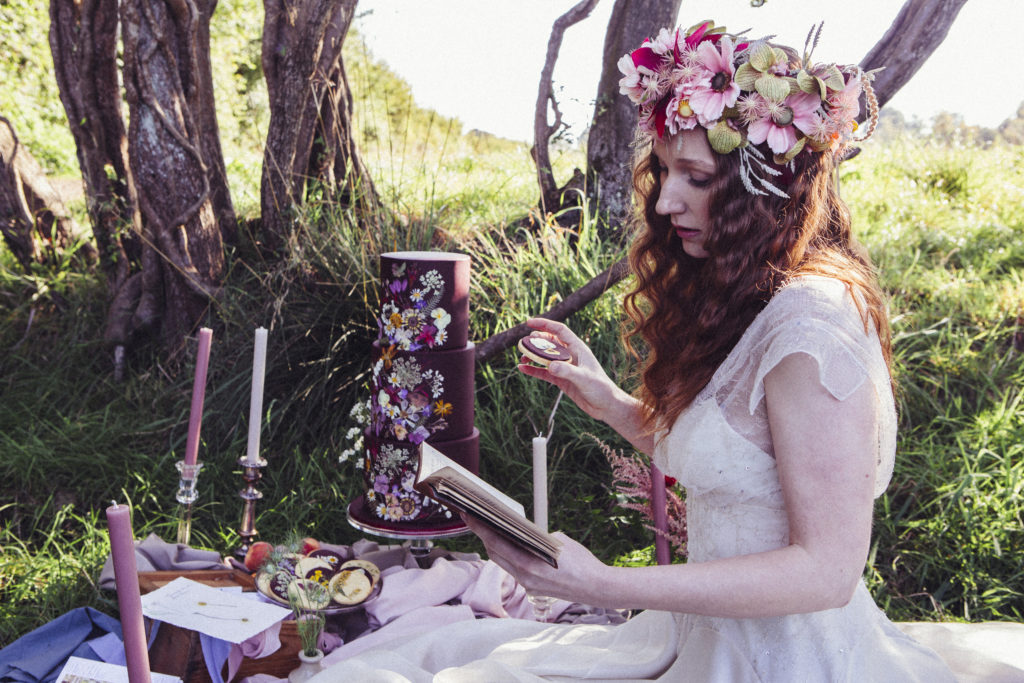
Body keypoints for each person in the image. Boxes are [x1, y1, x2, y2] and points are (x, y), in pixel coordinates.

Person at [311, 20, 956, 681]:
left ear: (767, 188)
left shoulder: (814, 332)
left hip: (783, 662)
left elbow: (826, 572)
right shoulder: (756, 293)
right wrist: (613, 405)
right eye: (666, 171)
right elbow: (741, 468)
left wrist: (607, 585)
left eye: (696, 176)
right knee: (426, 662)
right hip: (693, 643)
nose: (667, 200)